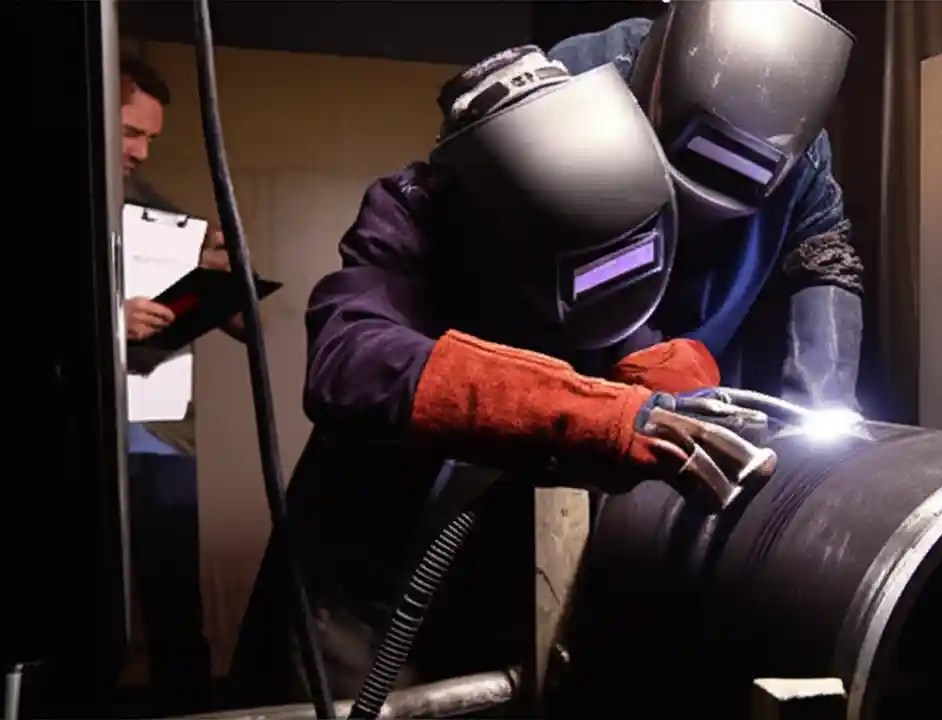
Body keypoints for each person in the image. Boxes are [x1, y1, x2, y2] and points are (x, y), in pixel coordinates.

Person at [226, 45, 767, 707]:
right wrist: (582, 412)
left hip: (493, 575)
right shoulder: (417, 215)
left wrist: (671, 376)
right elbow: (349, 358)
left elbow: (619, 316)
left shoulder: (601, 197)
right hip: (368, 579)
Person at [548, 0, 866, 411]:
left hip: (705, 375)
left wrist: (826, 400)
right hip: (570, 382)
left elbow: (823, 259)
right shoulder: (580, 76)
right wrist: (639, 350)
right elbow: (554, 244)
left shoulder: (802, 142)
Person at [118, 51, 243, 714]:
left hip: (162, 433)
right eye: (129, 131)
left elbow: (234, 324)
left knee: (173, 602)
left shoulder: (158, 213)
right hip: (88, 431)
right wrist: (115, 320)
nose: (140, 150)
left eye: (150, 139)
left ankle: (187, 706)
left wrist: (222, 276)